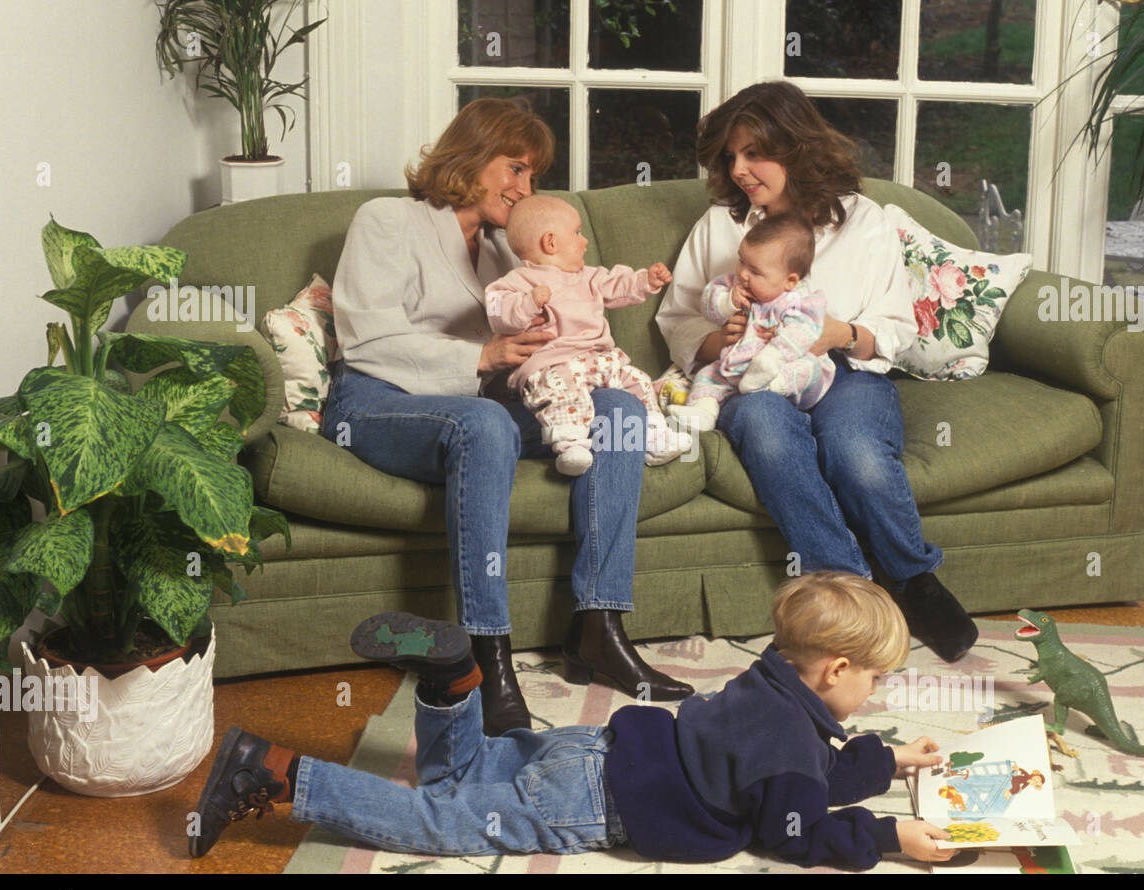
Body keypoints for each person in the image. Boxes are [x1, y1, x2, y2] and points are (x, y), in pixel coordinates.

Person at [321, 98, 692, 738]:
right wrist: (484, 355)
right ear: (470, 156)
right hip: (379, 399)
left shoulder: (504, 250)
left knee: (616, 406)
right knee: (486, 424)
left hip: (475, 403)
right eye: (515, 170)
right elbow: (365, 340)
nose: (524, 191)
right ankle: (483, 657)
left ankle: (599, 629)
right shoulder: (386, 220)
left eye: (532, 178)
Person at [187, 571, 955, 868]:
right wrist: (887, 836)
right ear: (836, 671)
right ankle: (280, 771)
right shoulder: (792, 753)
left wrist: (890, 763)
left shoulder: (767, 684)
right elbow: (797, 827)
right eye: (877, 678)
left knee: (460, 770)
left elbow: (808, 777)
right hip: (595, 805)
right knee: (445, 822)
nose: (877, 694)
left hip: (592, 747)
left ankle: (454, 683)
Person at [654, 81, 978, 662]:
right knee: (767, 434)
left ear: (796, 148)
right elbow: (676, 315)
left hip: (844, 372)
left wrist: (842, 334)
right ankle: (853, 596)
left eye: (754, 153)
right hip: (755, 378)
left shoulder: (863, 221)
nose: (740, 169)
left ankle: (912, 581)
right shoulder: (721, 224)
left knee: (854, 452)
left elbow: (898, 329)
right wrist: (712, 339)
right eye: (731, 156)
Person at [484, 194, 691, 476]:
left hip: (599, 359)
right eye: (577, 233)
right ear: (551, 242)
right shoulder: (518, 282)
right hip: (552, 366)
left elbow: (617, 284)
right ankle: (570, 445)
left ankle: (655, 435)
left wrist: (645, 280)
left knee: (638, 380)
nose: (585, 241)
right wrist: (528, 303)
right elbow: (498, 312)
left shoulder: (589, 276)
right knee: (562, 391)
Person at [670, 211, 834, 430]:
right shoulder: (734, 285)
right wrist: (728, 302)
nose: (743, 274)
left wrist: (774, 353)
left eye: (755, 271)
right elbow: (708, 302)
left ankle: (772, 384)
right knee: (707, 375)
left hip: (784, 368)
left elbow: (803, 332)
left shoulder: (797, 301)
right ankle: (703, 412)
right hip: (738, 366)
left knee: (809, 366)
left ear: (789, 281)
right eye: (741, 261)